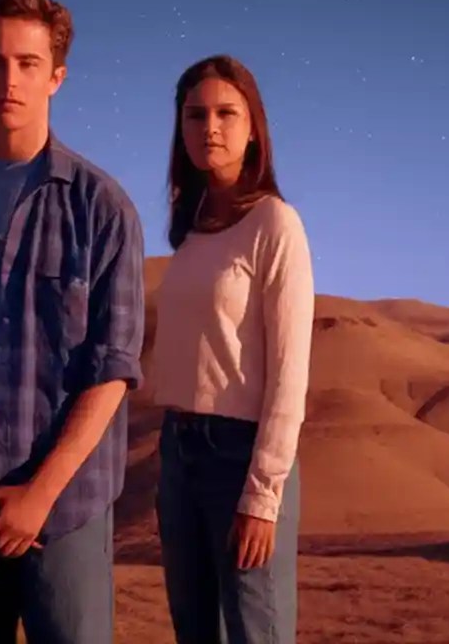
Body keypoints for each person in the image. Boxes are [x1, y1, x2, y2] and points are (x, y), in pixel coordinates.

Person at [0, 0, 146, 644]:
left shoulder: (101, 207)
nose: (9, 79)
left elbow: (113, 366)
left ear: (57, 77)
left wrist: (41, 493)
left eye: (28, 63)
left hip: (65, 496)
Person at [150, 54, 315, 644]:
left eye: (226, 113)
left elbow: (290, 373)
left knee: (256, 629)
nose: (209, 128)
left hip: (241, 456)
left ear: (253, 129)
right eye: (195, 115)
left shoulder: (276, 225)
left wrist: (263, 495)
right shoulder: (190, 233)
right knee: (194, 631)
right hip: (177, 451)